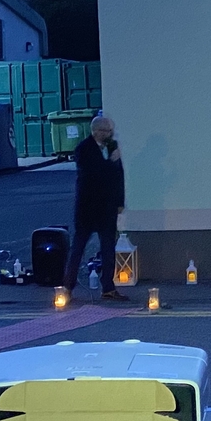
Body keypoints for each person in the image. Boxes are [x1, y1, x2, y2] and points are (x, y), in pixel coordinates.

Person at [61, 115, 128, 301]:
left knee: (108, 248)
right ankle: (67, 286)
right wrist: (110, 162)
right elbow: (94, 174)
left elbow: (118, 176)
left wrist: (120, 202)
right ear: (96, 131)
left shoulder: (112, 147)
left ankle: (108, 287)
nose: (110, 134)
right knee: (78, 248)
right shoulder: (83, 149)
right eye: (107, 131)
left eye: (110, 130)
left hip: (107, 207)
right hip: (88, 208)